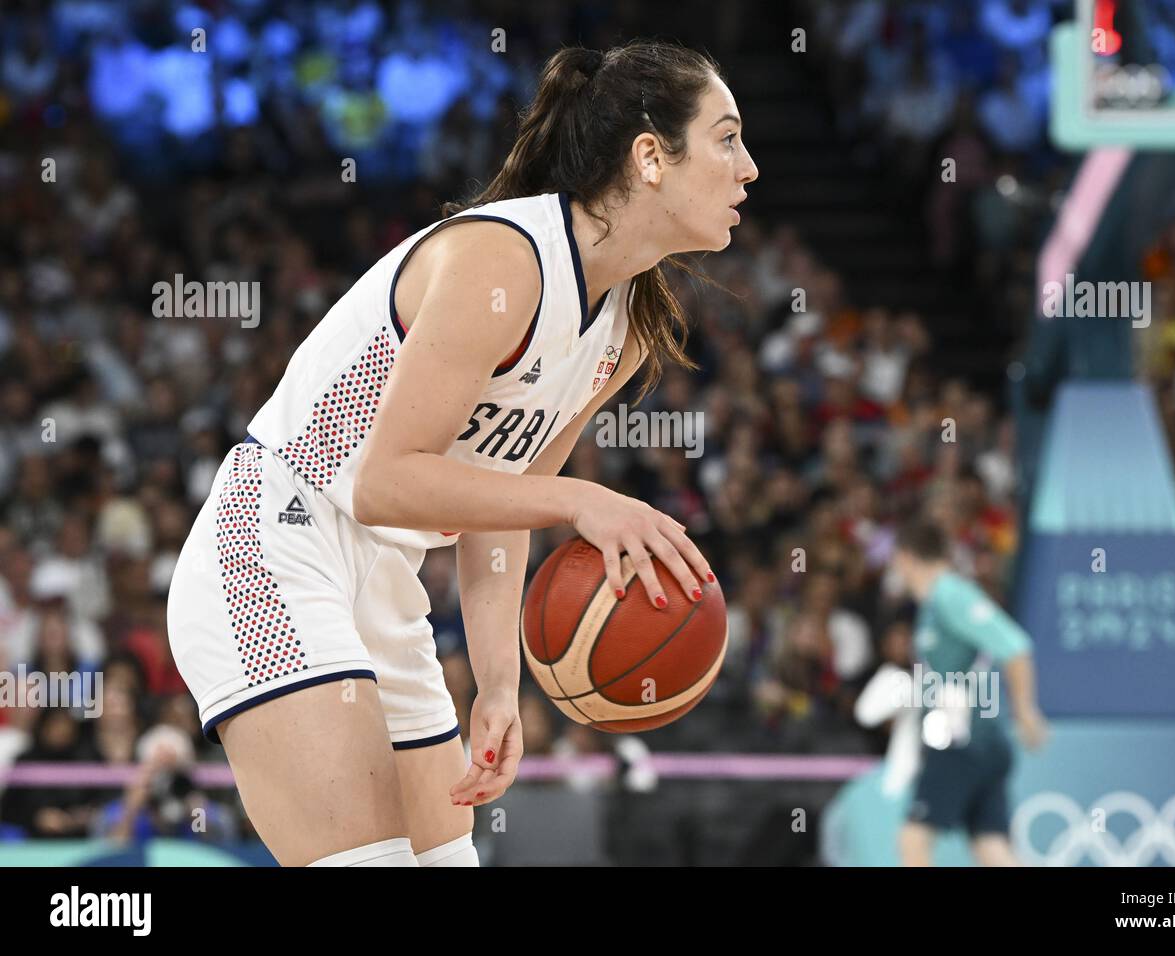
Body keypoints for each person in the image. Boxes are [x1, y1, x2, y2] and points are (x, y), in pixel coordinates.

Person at [166, 40, 758, 867]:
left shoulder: (623, 330)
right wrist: (584, 501)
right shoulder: (503, 259)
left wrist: (499, 683)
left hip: (385, 585)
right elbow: (385, 481)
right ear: (651, 156)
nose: (751, 167)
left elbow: (496, 512)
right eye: (728, 138)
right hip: (273, 545)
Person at [889, 519, 1047, 866]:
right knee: (991, 847)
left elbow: (1016, 647)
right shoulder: (934, 603)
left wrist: (1025, 711)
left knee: (913, 840)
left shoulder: (950, 595)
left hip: (964, 742)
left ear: (904, 557)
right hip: (981, 742)